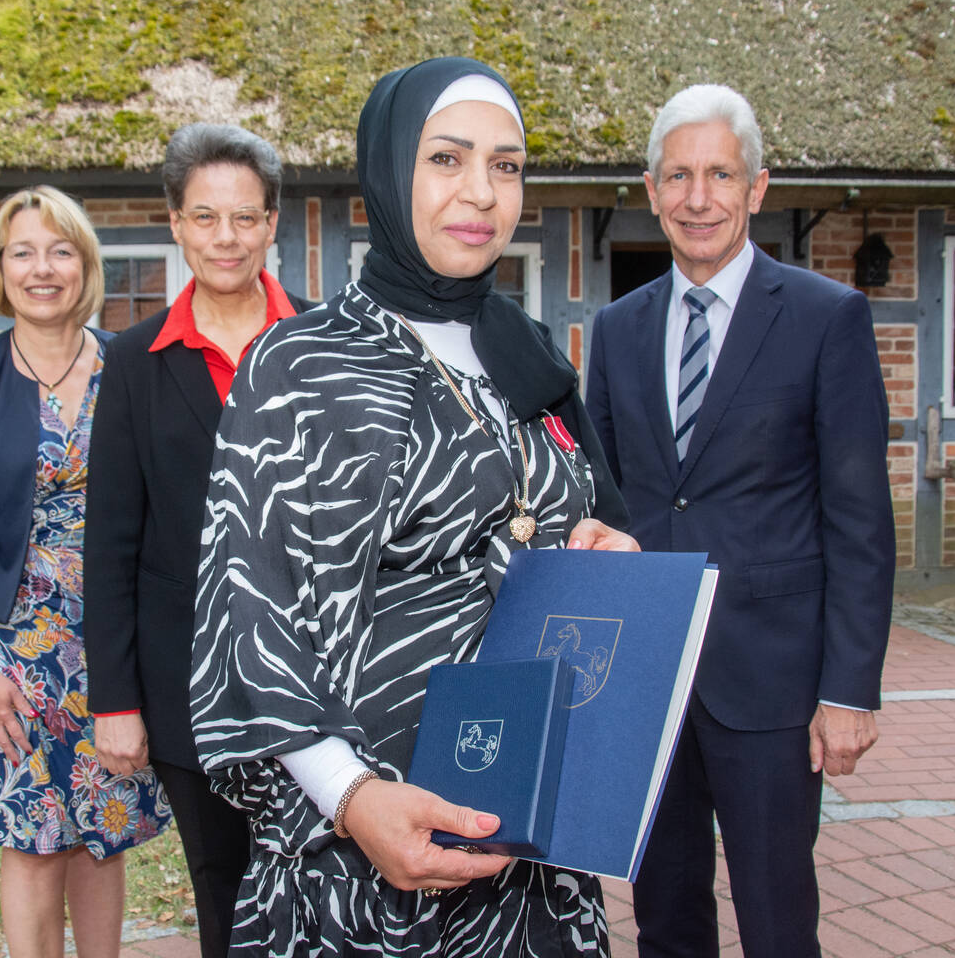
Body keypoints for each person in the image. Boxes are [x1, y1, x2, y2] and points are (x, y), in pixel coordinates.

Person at [189, 57, 637, 956]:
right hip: (362, 843)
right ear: (390, 172)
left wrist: (603, 548)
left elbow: (580, 518)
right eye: (447, 159)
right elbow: (250, 611)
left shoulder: (527, 351)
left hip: (524, 833)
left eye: (506, 166)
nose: (482, 192)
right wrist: (353, 801)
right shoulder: (301, 365)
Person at [584, 84, 896, 958]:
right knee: (666, 915)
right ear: (650, 190)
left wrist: (848, 690)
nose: (698, 197)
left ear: (757, 188)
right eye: (678, 176)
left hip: (771, 684)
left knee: (777, 915)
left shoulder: (827, 318)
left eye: (720, 174)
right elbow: (610, 501)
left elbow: (860, 518)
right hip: (651, 678)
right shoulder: (616, 329)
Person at [0, 185, 170, 958]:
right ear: (2, 266)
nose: (42, 268)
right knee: (30, 838)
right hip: (12, 654)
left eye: (60, 250)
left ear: (84, 264)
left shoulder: (131, 365)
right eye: (23, 251)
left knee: (103, 832)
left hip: (115, 645)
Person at [83, 123, 312, 958]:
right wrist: (116, 701)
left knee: (335, 875)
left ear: (271, 223)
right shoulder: (135, 362)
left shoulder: (325, 345)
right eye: (206, 218)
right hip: (187, 687)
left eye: (245, 219)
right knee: (223, 885)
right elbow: (110, 540)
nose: (227, 238)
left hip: (319, 672)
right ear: (175, 224)